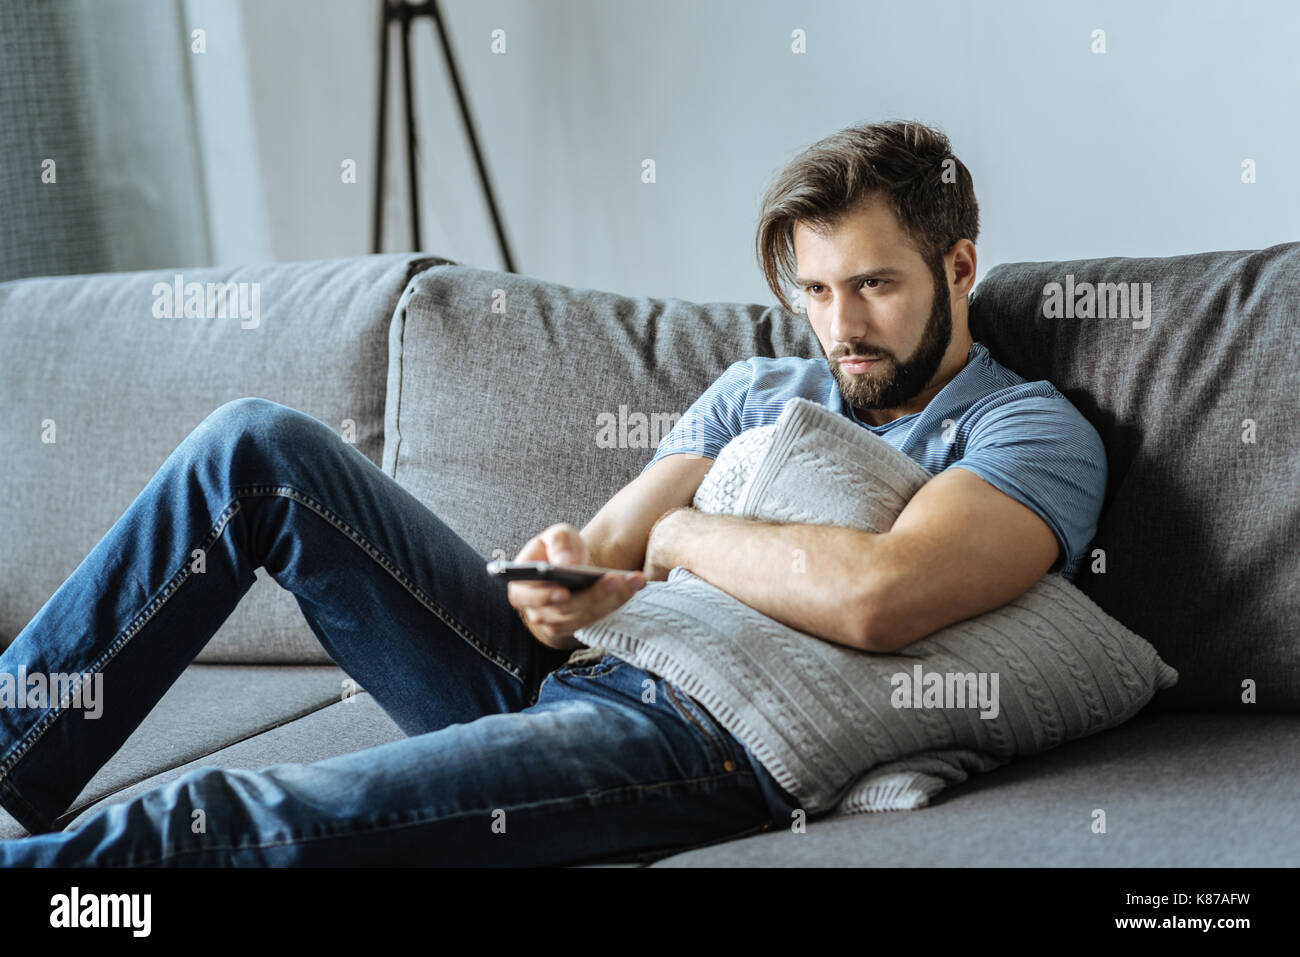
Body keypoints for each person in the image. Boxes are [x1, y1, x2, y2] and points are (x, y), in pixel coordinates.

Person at [0, 120, 1106, 865]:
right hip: (576, 669)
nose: (839, 327)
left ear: (957, 270)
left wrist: (679, 533)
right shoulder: (759, 390)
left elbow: (883, 599)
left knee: (243, 818)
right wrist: (558, 582)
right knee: (253, 449)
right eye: (815, 290)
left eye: (873, 285)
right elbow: (611, 552)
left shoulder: (1023, 430)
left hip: (703, 730)